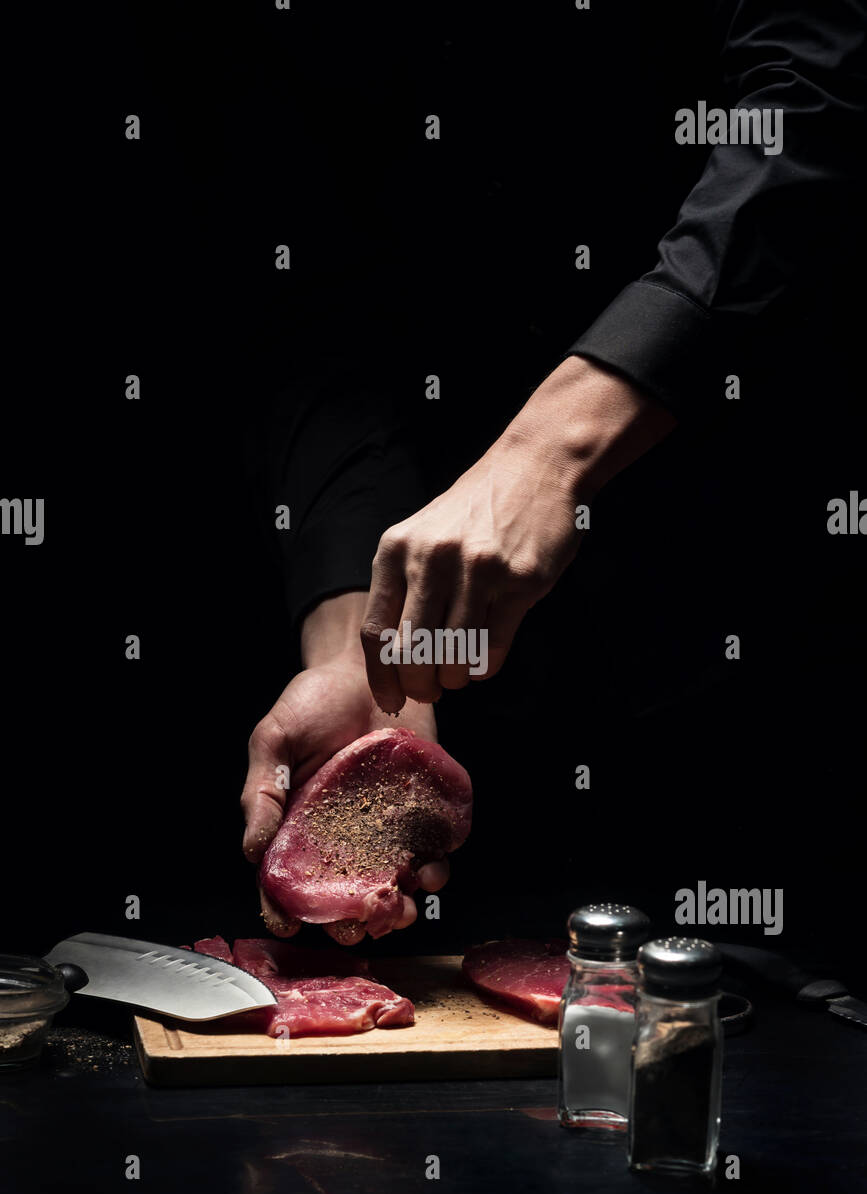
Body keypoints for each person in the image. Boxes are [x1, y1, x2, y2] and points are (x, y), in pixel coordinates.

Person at [240, 0, 865, 947]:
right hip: (484, 676)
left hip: (771, 591)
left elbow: (818, 104)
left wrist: (553, 445)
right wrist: (358, 658)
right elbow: (317, 283)